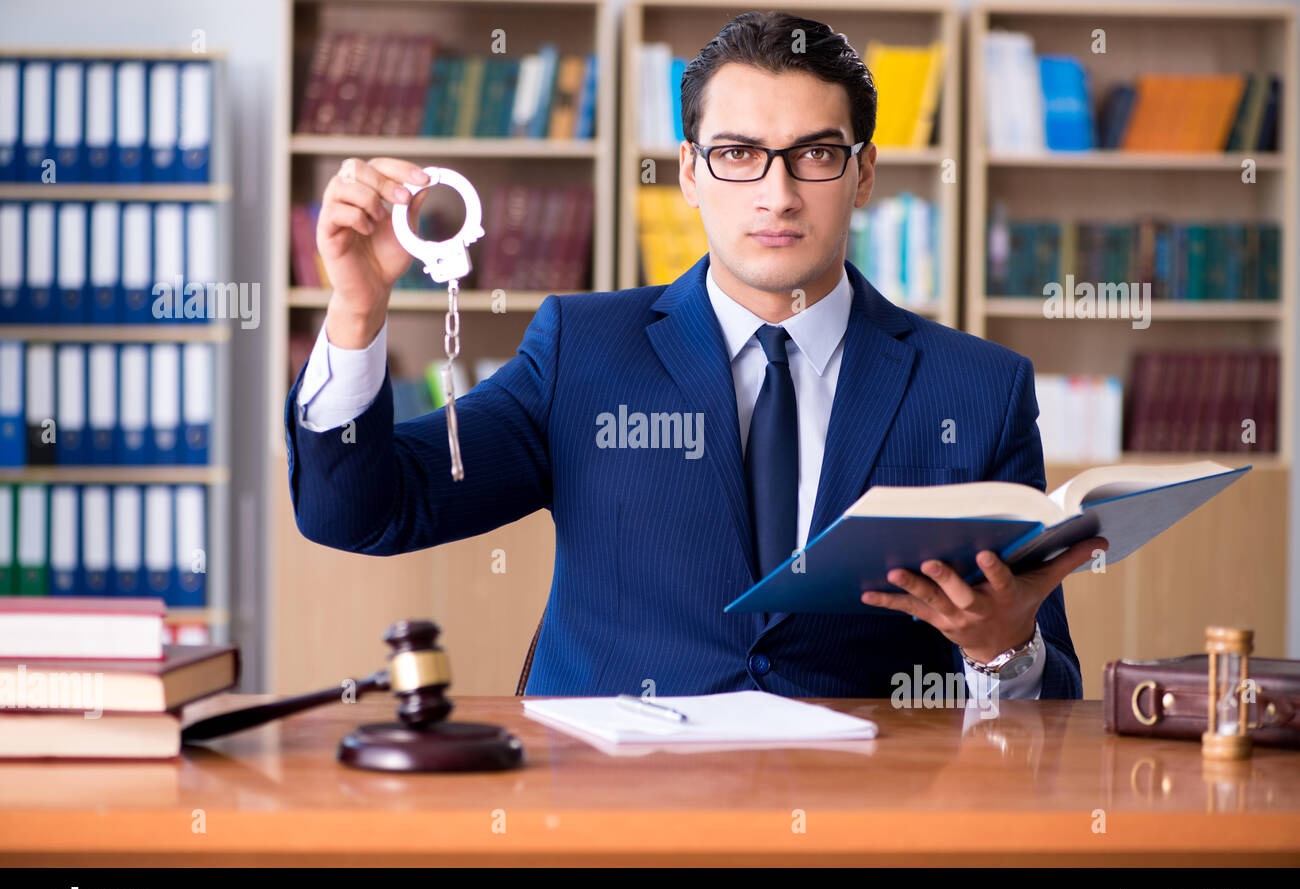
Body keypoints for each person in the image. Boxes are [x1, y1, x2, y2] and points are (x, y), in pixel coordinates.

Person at [286, 11, 1106, 698]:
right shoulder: (584, 350)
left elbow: (1053, 693)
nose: (776, 194)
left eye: (816, 155)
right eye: (738, 153)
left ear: (862, 176)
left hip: (863, 816)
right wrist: (358, 309)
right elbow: (363, 512)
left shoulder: (978, 387)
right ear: (689, 171)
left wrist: (1004, 651)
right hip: (618, 815)